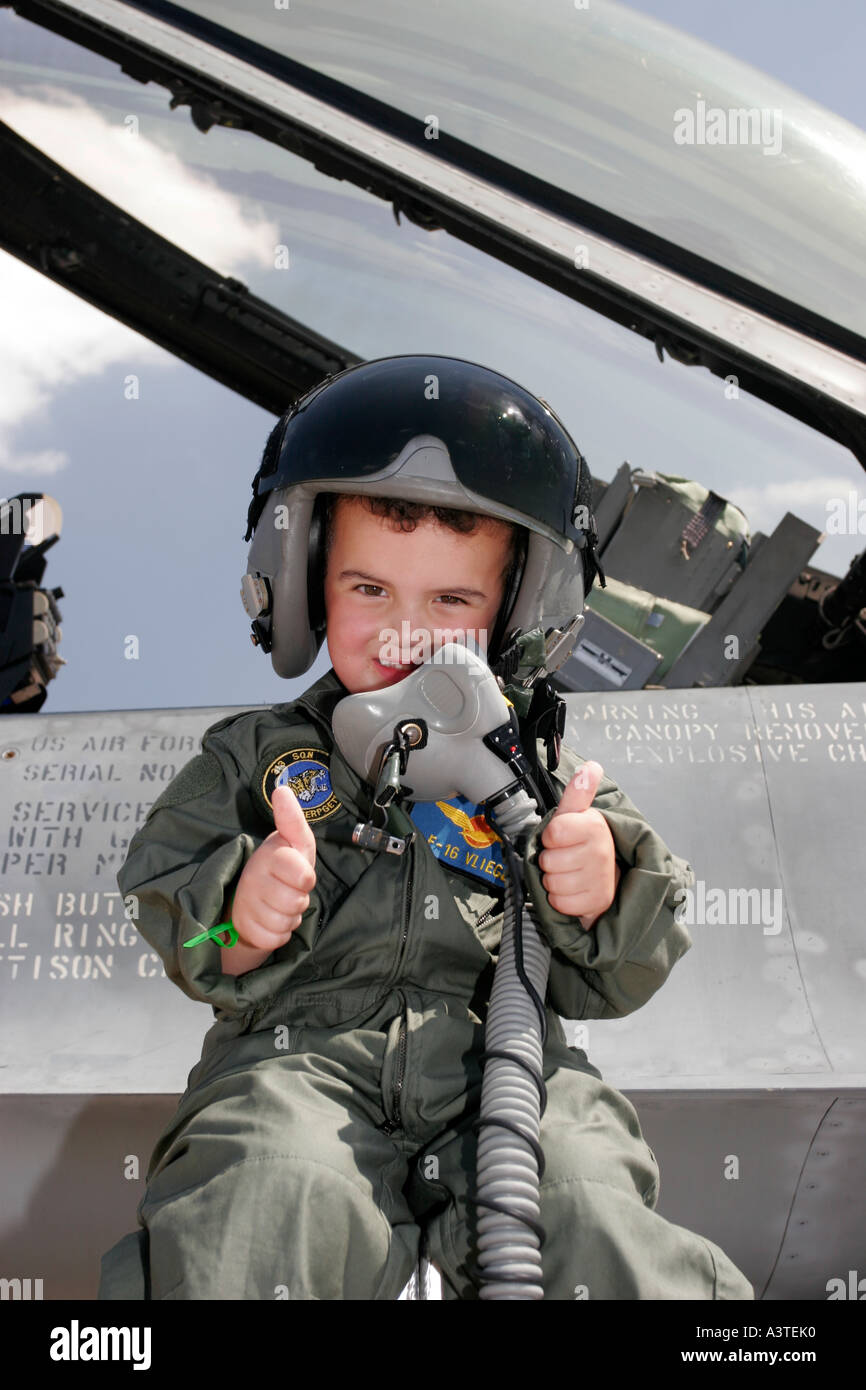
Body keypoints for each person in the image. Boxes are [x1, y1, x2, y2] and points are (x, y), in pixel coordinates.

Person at [98, 354, 753, 1300]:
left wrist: (596, 883)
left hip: (512, 1069)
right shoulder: (257, 758)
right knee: (268, 1192)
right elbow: (183, 933)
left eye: (452, 601)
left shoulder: (541, 773)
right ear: (306, 583)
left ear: (517, 614)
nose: (407, 629)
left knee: (592, 1210)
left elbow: (630, 958)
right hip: (300, 1064)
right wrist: (239, 917)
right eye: (370, 590)